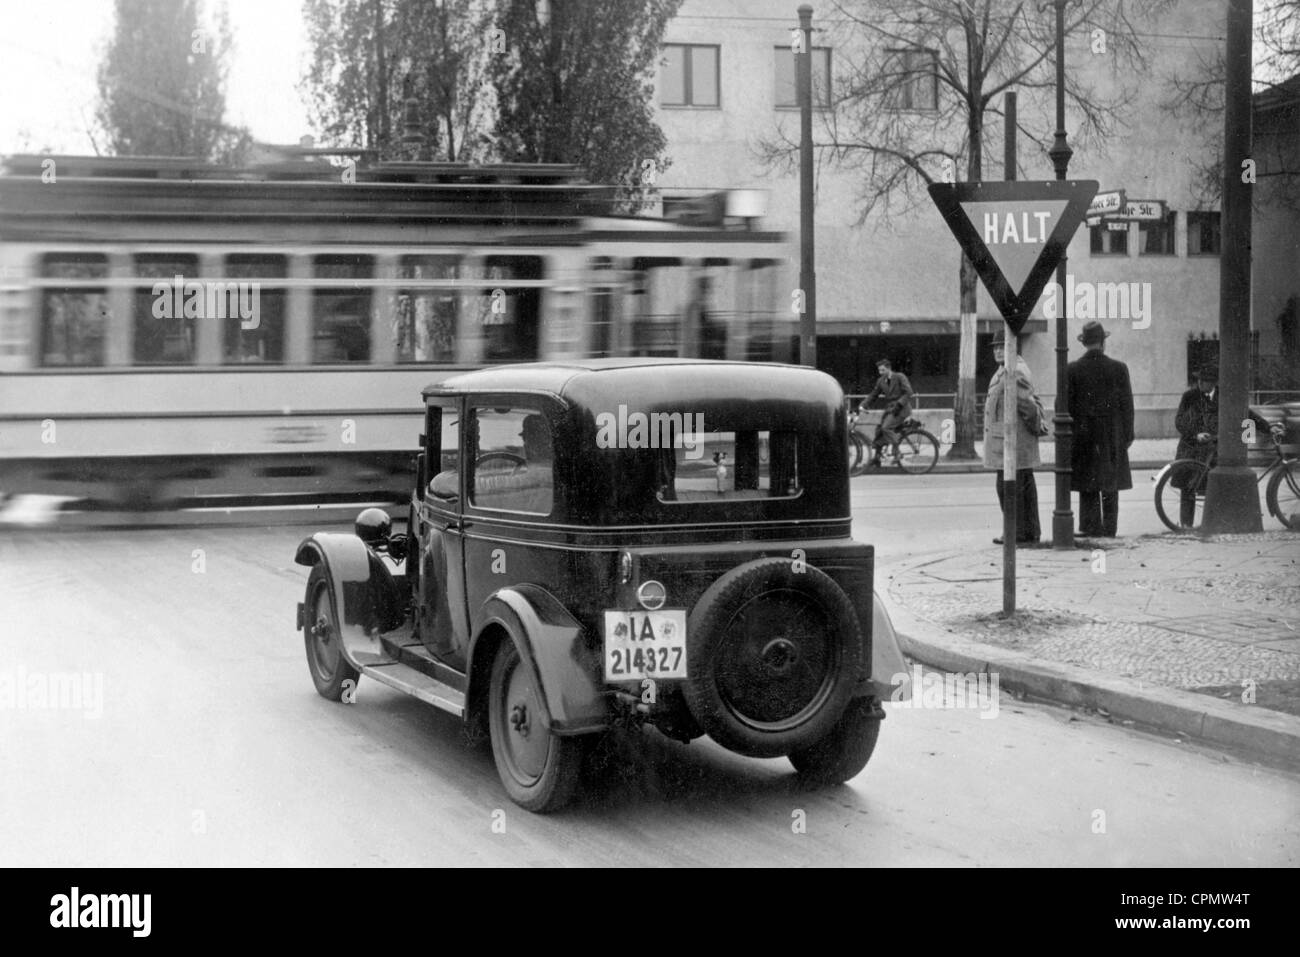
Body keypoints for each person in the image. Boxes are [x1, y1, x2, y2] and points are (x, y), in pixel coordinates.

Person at [1173, 365, 1286, 527]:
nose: (1201, 384)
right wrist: (1196, 434)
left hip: (1215, 447)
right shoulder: (1189, 396)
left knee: (1216, 487)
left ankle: (1213, 523)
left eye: (1206, 382)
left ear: (1212, 383)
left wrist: (1268, 427)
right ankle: (1186, 525)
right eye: (1201, 381)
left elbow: (1246, 414)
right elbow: (1180, 421)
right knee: (1188, 488)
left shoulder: (1223, 396)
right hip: (1192, 447)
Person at [1067, 321, 1134, 537]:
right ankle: (1110, 528)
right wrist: (1127, 435)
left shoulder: (1072, 369)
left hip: (1084, 435)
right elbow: (1127, 406)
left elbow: (1065, 406)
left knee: (1088, 482)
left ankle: (1090, 526)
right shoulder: (1119, 368)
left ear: (1084, 342)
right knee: (1110, 482)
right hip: (1112, 434)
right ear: (1103, 342)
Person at [983, 330, 1046, 545]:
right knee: (1019, 487)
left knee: (1010, 487)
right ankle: (1025, 532)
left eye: (1002, 346)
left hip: (1013, 442)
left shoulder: (1014, 370)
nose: (998, 350)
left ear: (1013, 347)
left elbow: (1027, 405)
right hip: (1010, 441)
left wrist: (1035, 427)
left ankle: (1018, 533)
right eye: (995, 347)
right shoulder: (1008, 369)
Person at [860, 358, 914, 467]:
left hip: (902, 409)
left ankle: (897, 452)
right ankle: (877, 458)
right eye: (879, 371)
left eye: (883, 370)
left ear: (889, 369)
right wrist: (863, 405)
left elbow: (909, 392)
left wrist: (899, 404)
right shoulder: (881, 381)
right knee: (879, 431)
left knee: (886, 428)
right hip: (890, 409)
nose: (881, 373)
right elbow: (873, 395)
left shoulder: (899, 377)